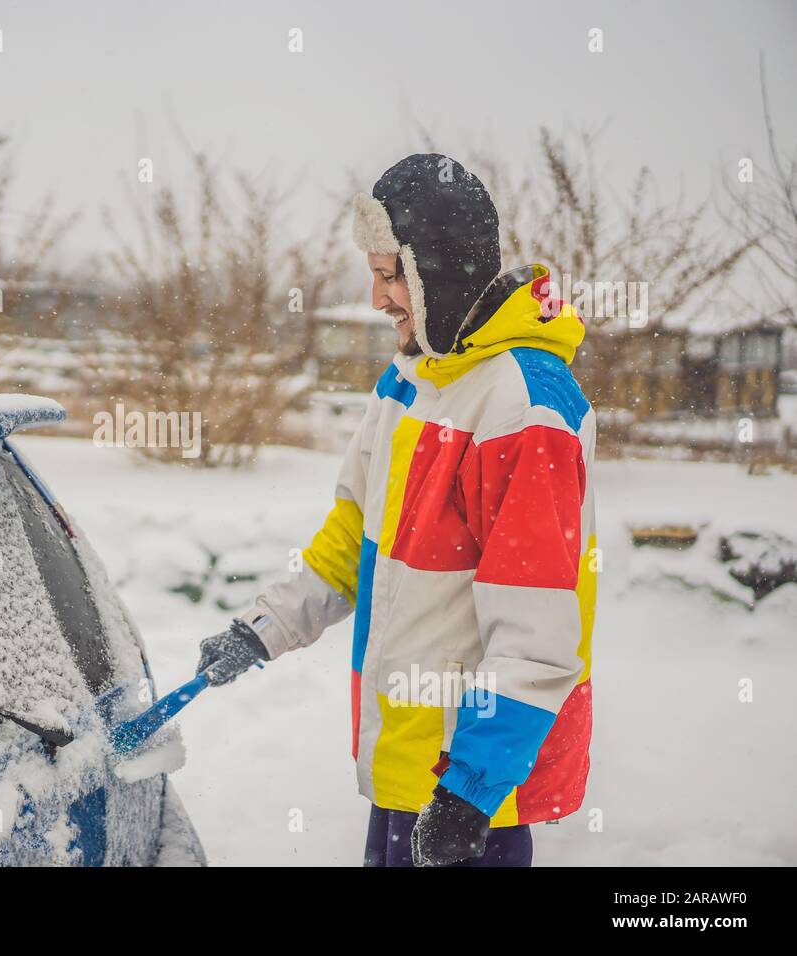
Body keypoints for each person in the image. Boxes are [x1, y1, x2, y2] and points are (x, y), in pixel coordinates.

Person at [195, 153, 597, 867]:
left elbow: (536, 634)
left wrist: (470, 792)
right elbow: (354, 537)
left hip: (469, 795)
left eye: (390, 277)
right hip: (405, 766)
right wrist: (262, 630)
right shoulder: (409, 383)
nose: (378, 299)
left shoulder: (523, 409)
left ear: (440, 276)